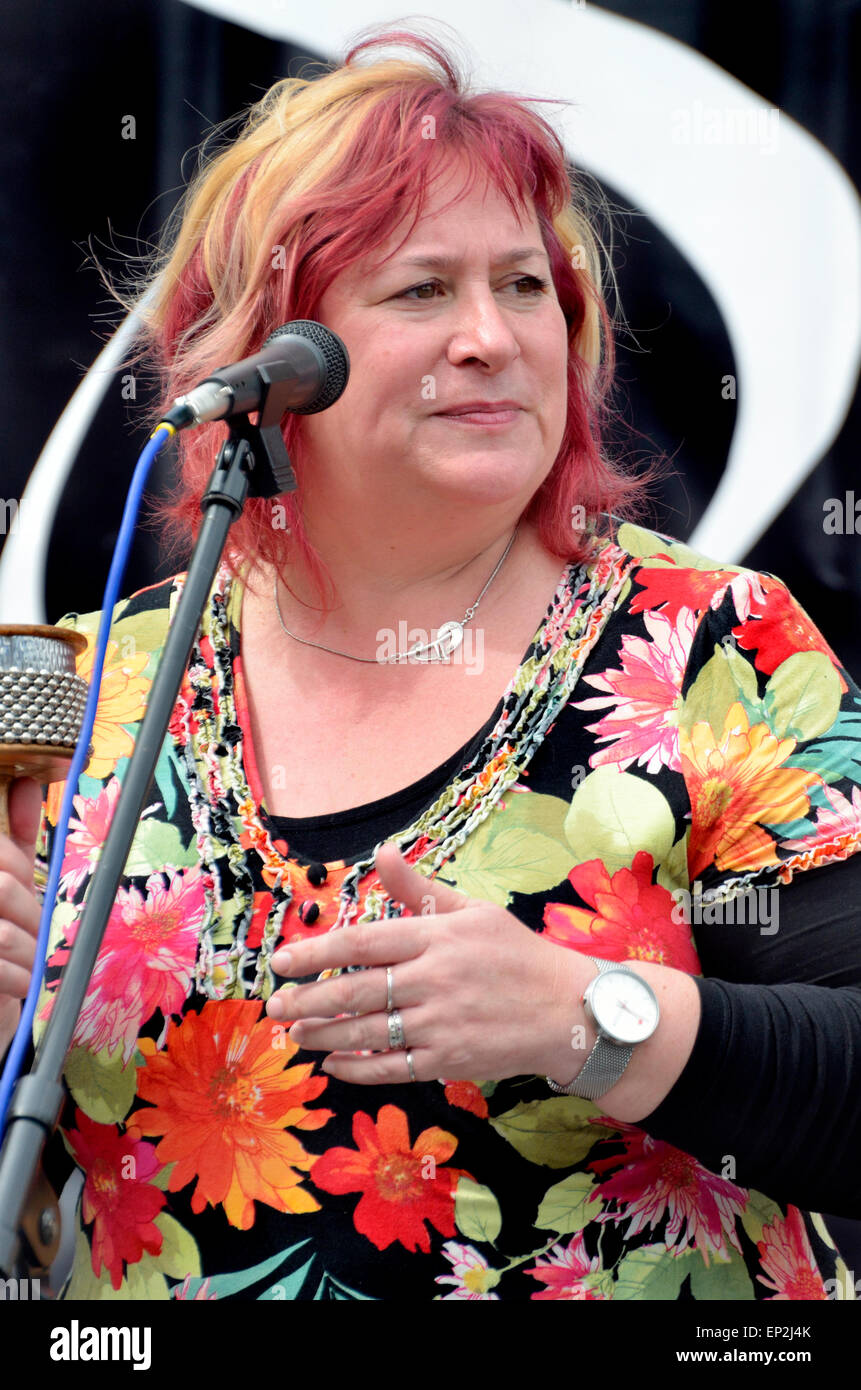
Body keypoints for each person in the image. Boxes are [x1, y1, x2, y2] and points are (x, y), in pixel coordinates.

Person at [1, 25, 860, 1302]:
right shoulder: (104, 686)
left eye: (526, 287)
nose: (492, 337)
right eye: (421, 290)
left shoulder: (710, 644)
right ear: (265, 363)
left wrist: (592, 1021)